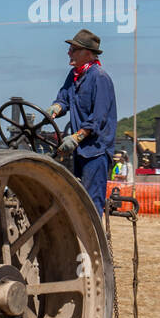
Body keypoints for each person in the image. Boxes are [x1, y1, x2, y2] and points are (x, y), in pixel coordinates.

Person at [49, 29, 117, 214]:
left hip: (96, 151)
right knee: (77, 202)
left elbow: (98, 118)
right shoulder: (74, 75)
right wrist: (55, 108)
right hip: (80, 150)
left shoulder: (100, 78)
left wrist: (77, 137)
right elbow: (63, 99)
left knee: (91, 204)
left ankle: (92, 241)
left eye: (73, 49)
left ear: (87, 54)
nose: (68, 53)